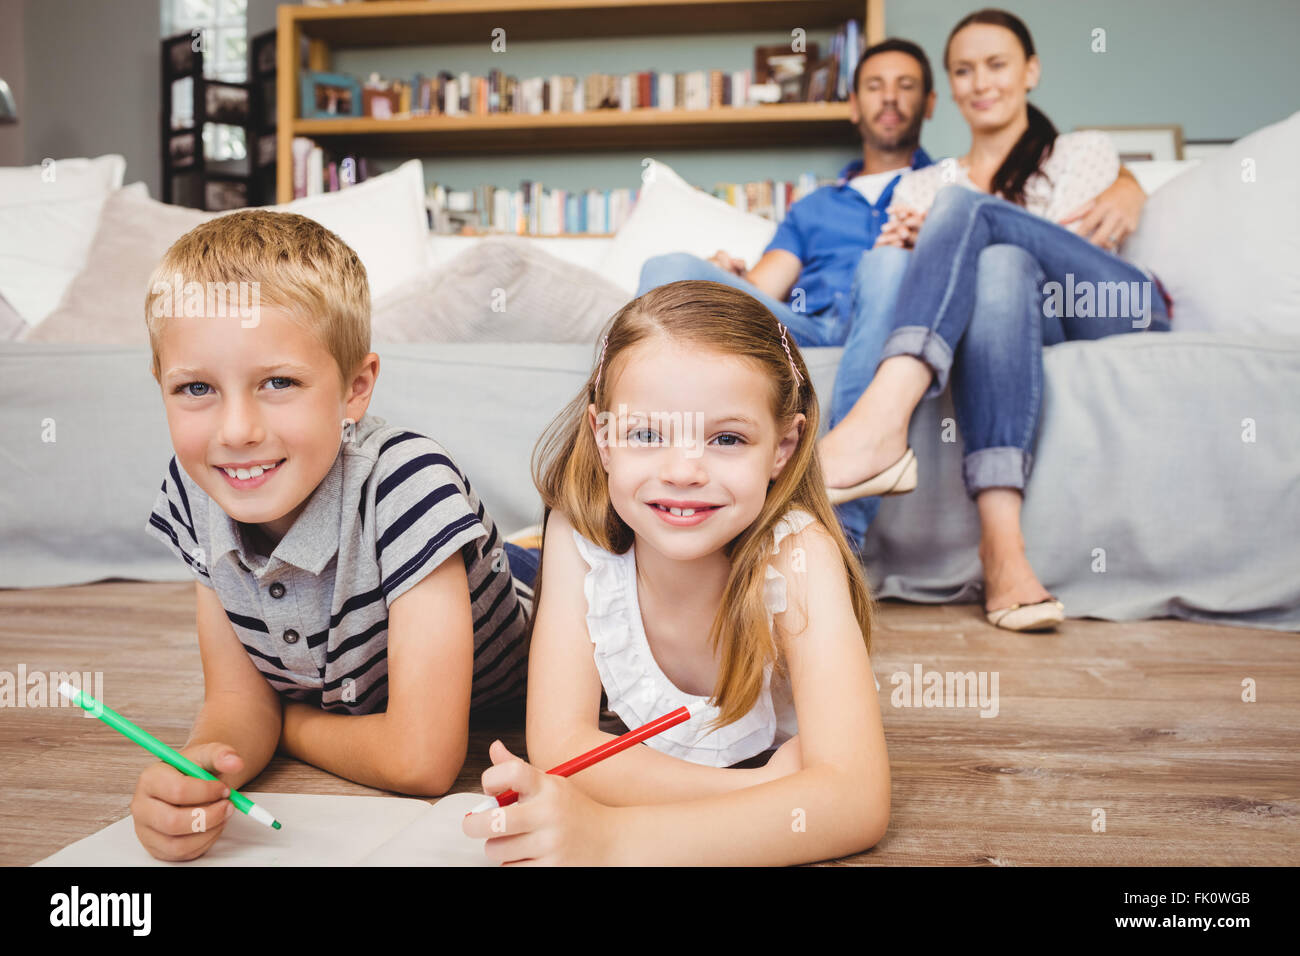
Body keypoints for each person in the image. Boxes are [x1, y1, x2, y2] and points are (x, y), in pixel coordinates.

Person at [636, 37, 1148, 551]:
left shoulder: (952, 181)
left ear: (929, 103)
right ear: (854, 104)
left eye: (906, 87)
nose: (889, 98)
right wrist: (722, 280)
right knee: (670, 268)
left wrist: (1129, 182)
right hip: (810, 323)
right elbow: (762, 293)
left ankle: (843, 534)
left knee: (887, 265)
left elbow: (1038, 195)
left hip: (889, 308)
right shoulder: (814, 206)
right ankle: (634, 486)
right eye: (875, 87)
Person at [135, 211, 535, 860]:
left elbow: (421, 760)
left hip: (526, 602)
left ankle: (531, 543)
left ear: (355, 389)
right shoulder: (196, 489)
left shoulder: (408, 483)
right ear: (162, 388)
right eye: (197, 388)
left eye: (278, 383)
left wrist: (289, 724)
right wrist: (202, 776)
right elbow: (239, 700)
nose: (235, 431)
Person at [461, 280, 888, 864]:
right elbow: (562, 753)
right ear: (603, 439)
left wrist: (610, 838)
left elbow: (855, 803)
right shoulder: (576, 531)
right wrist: (763, 790)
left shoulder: (798, 554)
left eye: (727, 438)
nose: (684, 471)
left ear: (783, 448)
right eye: (645, 434)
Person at [818, 8, 1173, 631]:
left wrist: (945, 232)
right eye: (963, 69)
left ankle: (881, 421)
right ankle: (1003, 552)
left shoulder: (1080, 151)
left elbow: (1057, 244)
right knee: (1001, 265)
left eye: (997, 64)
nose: (981, 82)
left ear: (1030, 71)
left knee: (985, 228)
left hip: (1107, 304)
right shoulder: (922, 183)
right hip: (1012, 308)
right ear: (948, 89)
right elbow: (904, 283)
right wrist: (914, 248)